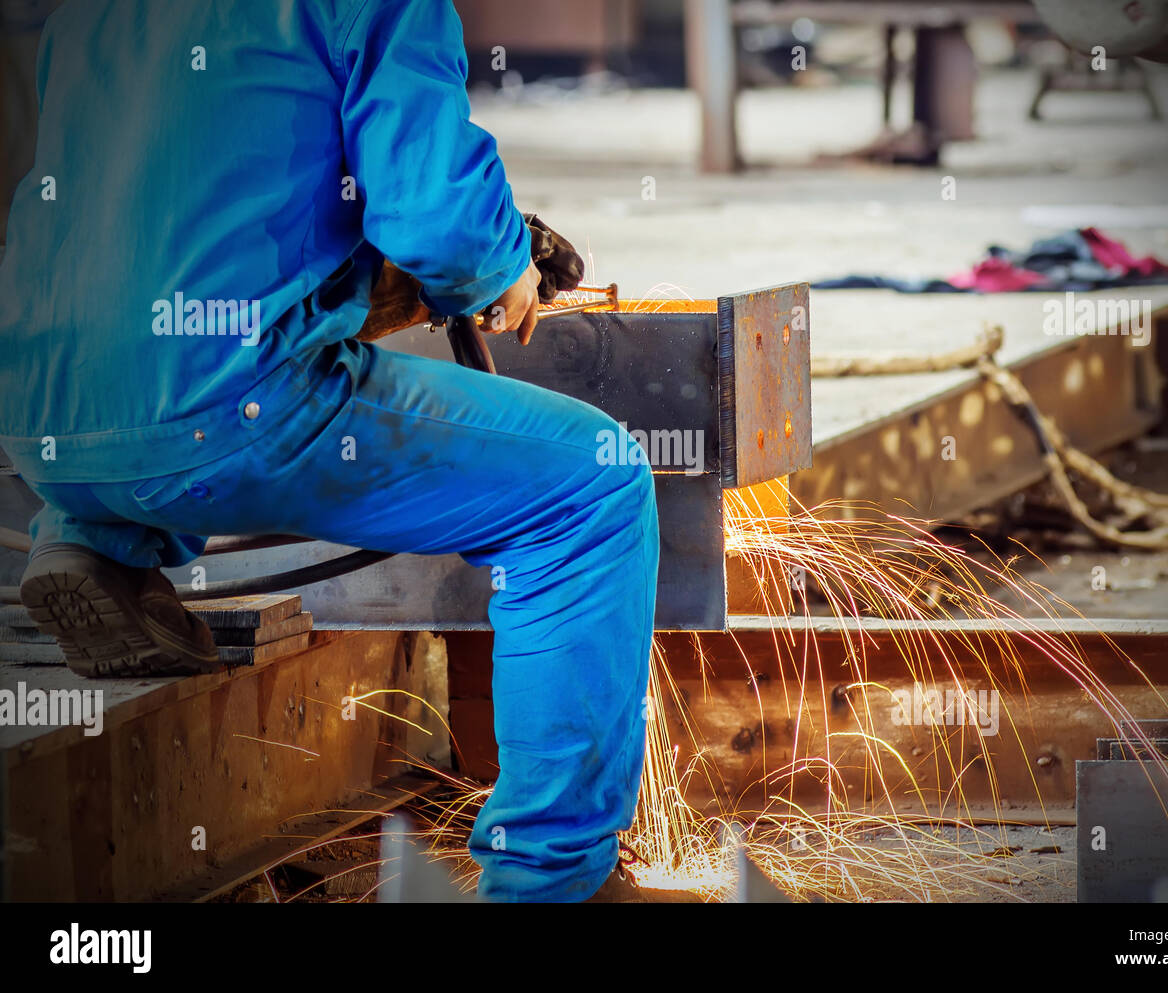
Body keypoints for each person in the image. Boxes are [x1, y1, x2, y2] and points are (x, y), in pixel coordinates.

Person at [0, 0, 671, 903]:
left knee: (158, 374)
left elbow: (166, 216)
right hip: (228, 407)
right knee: (594, 487)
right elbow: (437, 219)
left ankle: (92, 537)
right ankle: (555, 880)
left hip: (43, 409)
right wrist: (502, 262)